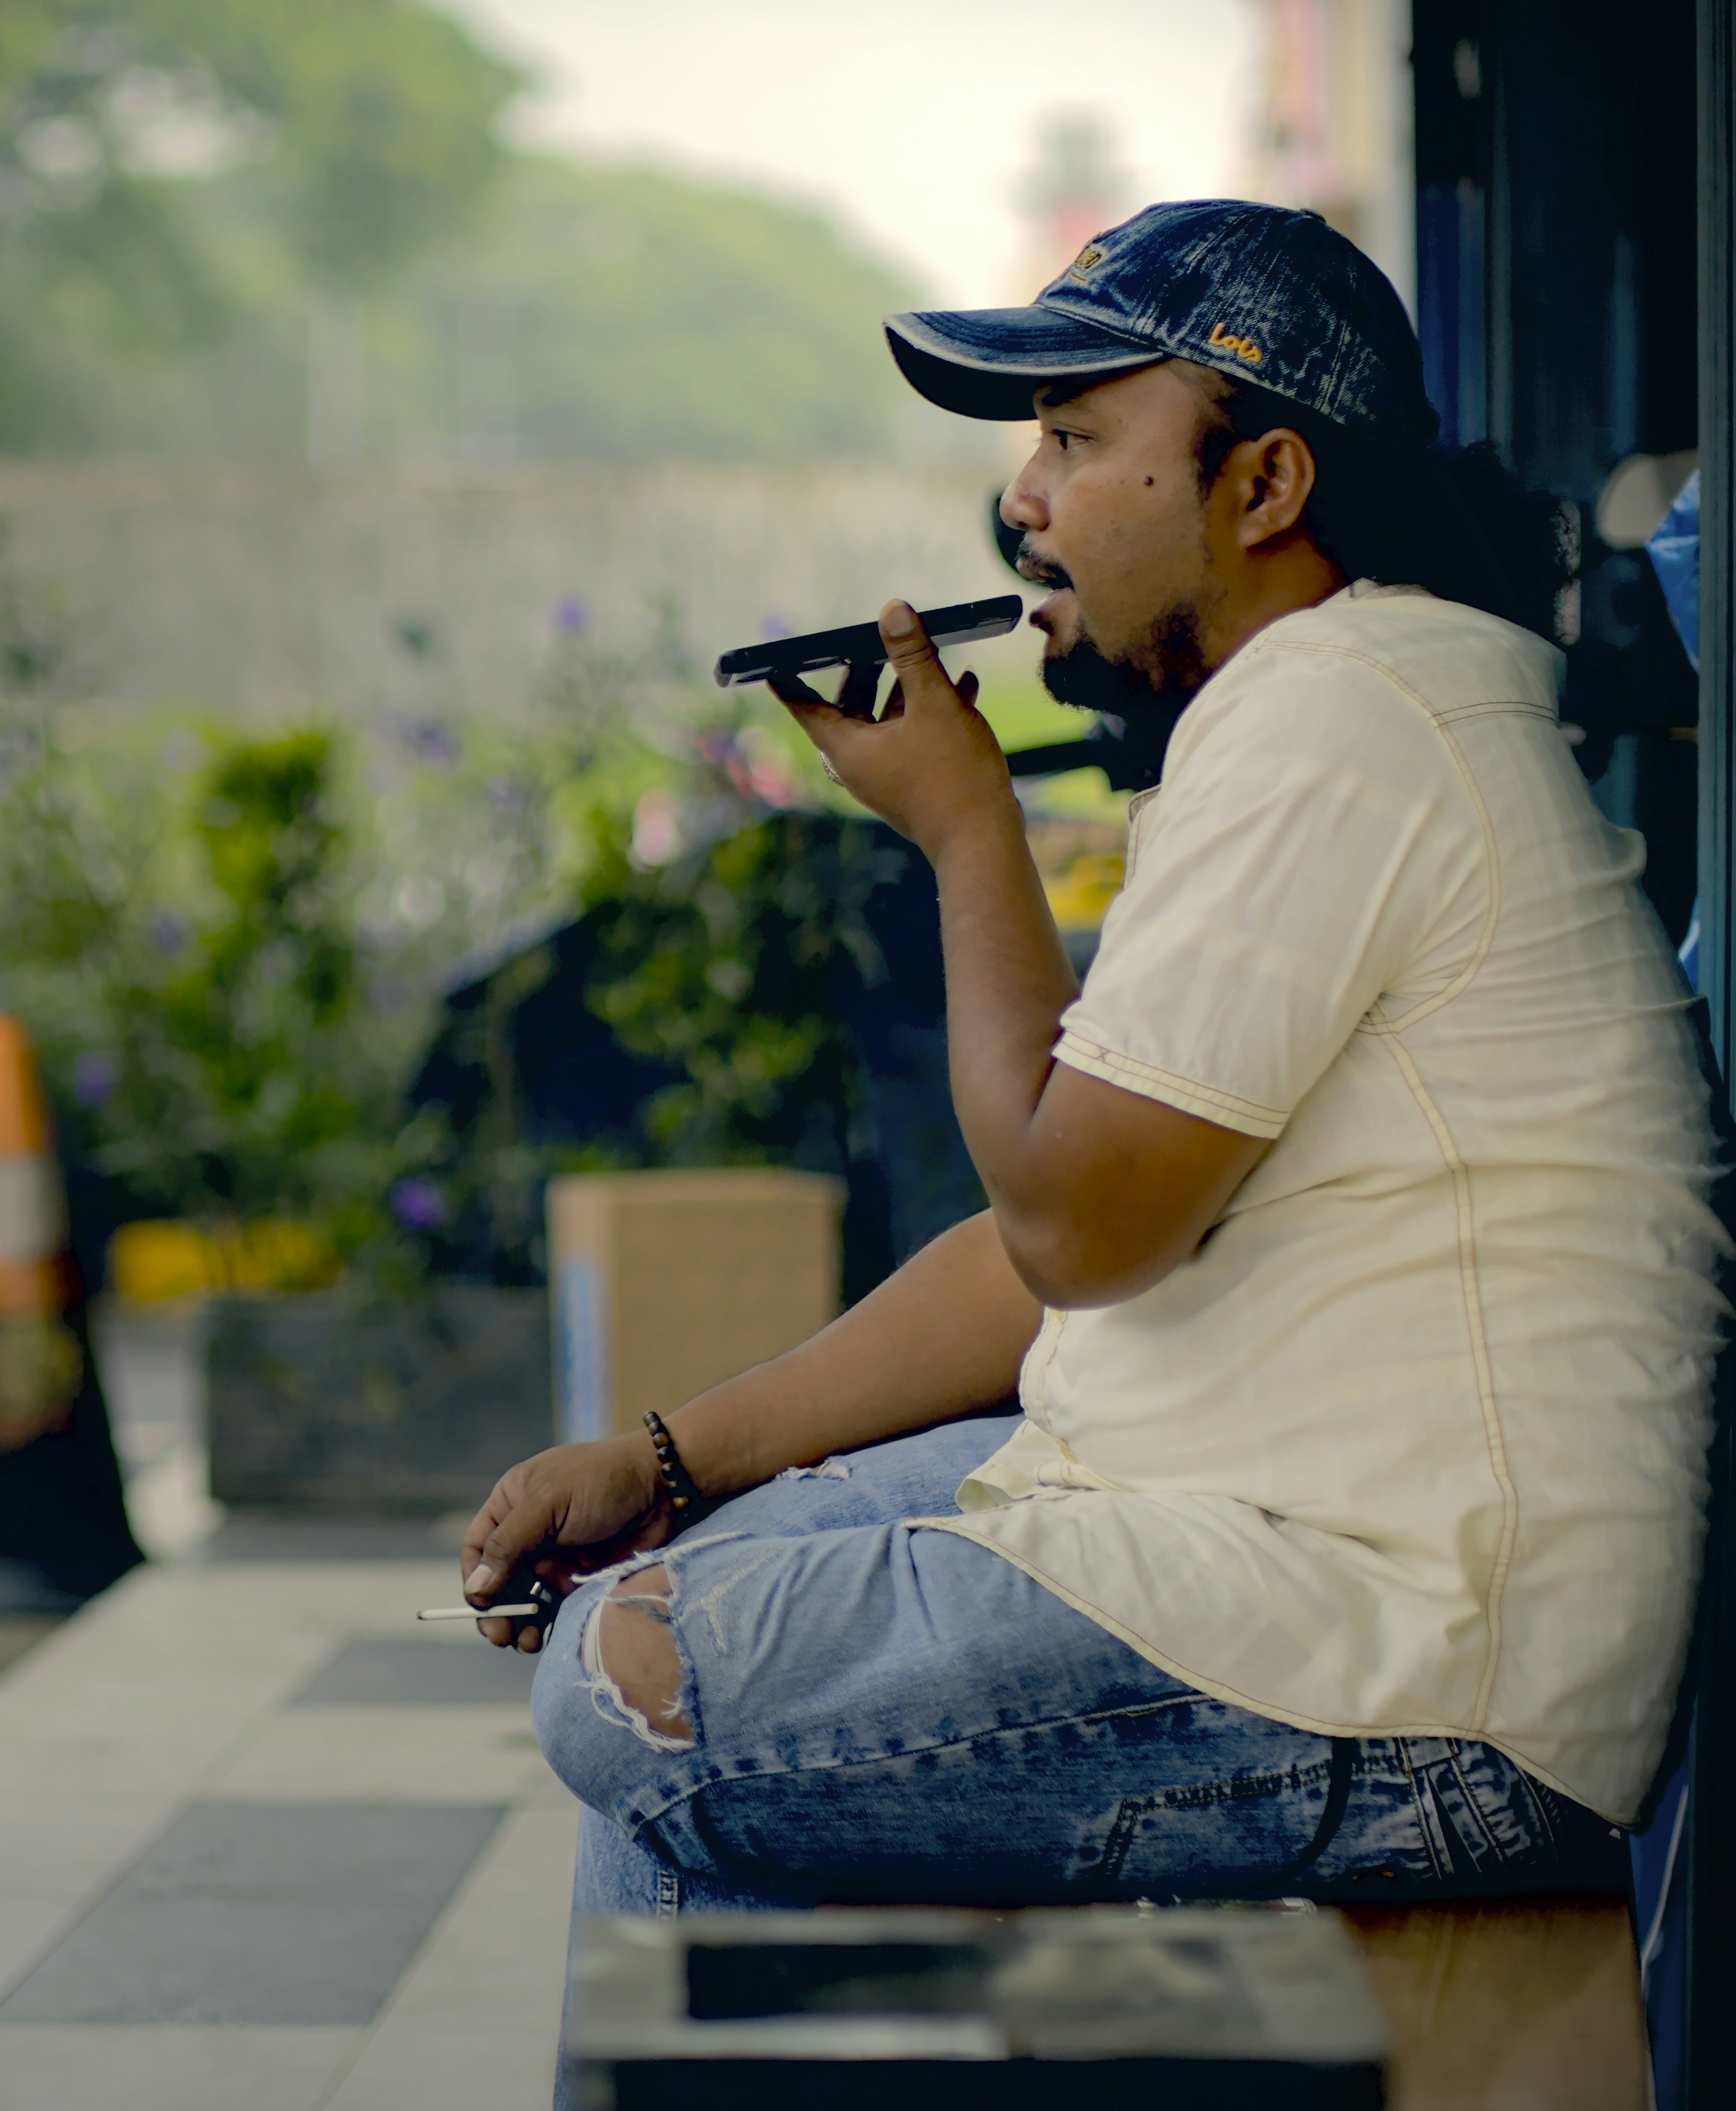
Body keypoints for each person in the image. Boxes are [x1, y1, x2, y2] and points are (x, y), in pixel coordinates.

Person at [453, 200, 1728, 2084]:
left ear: (1263, 479)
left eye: (1071, 438)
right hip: (1303, 1550)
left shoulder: (1342, 720)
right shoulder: (1311, 710)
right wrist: (668, 1453)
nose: (1021, 503)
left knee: (638, 1683)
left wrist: (971, 836)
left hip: (1428, 1659)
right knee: (695, 1639)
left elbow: (1067, 1225)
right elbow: (1049, 1251)